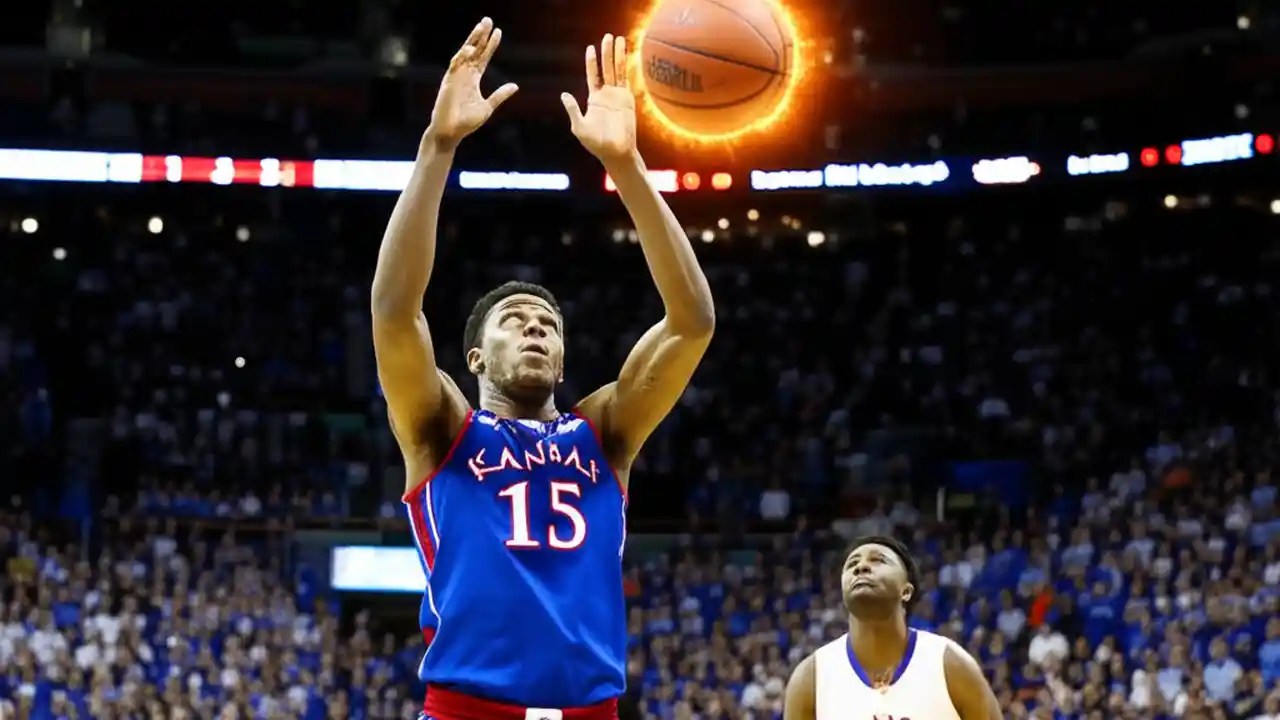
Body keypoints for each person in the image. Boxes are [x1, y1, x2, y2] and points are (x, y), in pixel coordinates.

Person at [370, 17, 715, 720]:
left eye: (549, 325)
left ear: (562, 361)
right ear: (474, 357)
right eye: (514, 321)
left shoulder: (606, 431)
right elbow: (394, 313)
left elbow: (692, 322)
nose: (535, 328)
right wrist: (438, 146)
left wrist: (626, 166)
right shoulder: (441, 429)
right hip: (468, 708)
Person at [784, 536, 1002, 720]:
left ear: (906, 591)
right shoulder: (811, 677)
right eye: (852, 564)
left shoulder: (950, 663)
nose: (861, 567)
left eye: (879, 560)